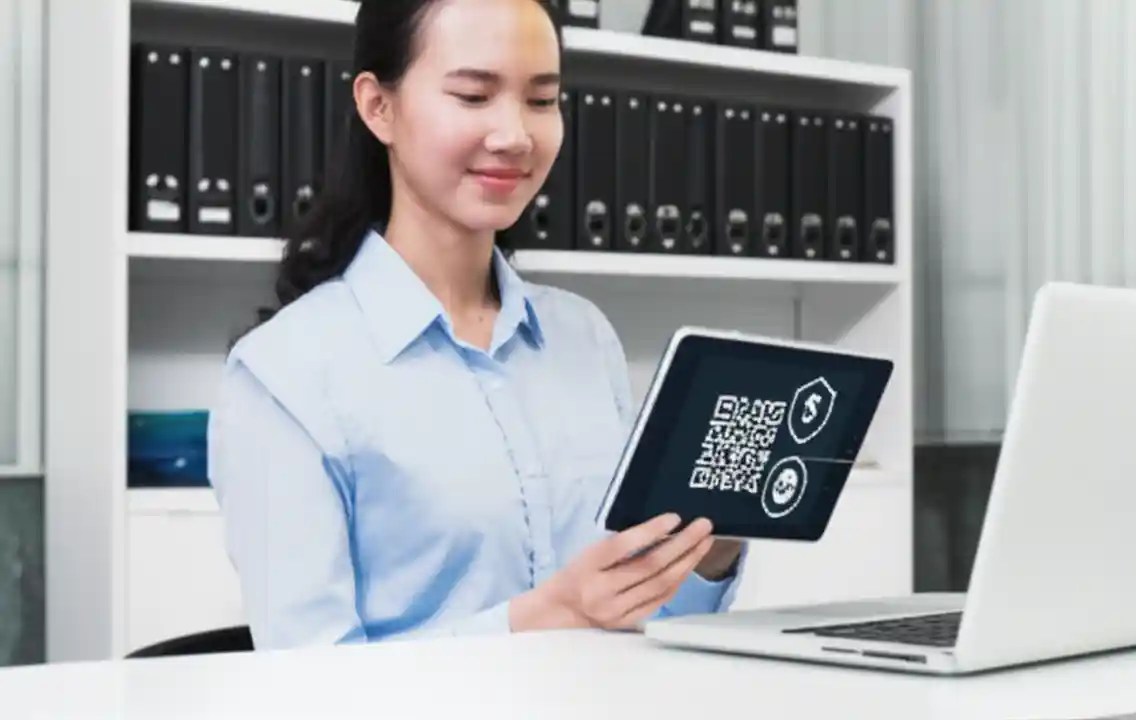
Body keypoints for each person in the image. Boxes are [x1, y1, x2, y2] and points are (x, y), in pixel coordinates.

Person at [208, 0, 745, 650]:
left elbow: (635, 621)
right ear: (379, 107)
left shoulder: (584, 336)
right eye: (472, 95)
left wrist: (707, 555)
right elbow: (310, 679)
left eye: (542, 101)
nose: (515, 135)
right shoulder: (283, 375)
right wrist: (549, 614)